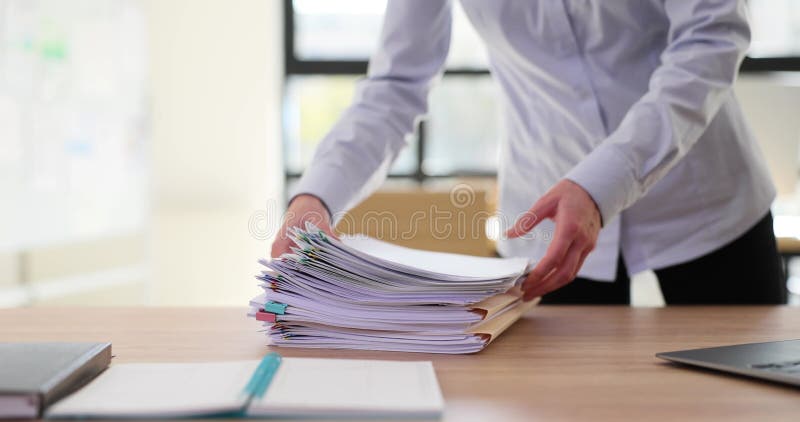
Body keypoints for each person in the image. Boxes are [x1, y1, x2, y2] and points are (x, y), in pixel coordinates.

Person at [271, 0, 786, 305]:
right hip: (543, 218)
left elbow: (711, 35)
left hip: (705, 199)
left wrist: (603, 181)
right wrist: (316, 197)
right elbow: (396, 86)